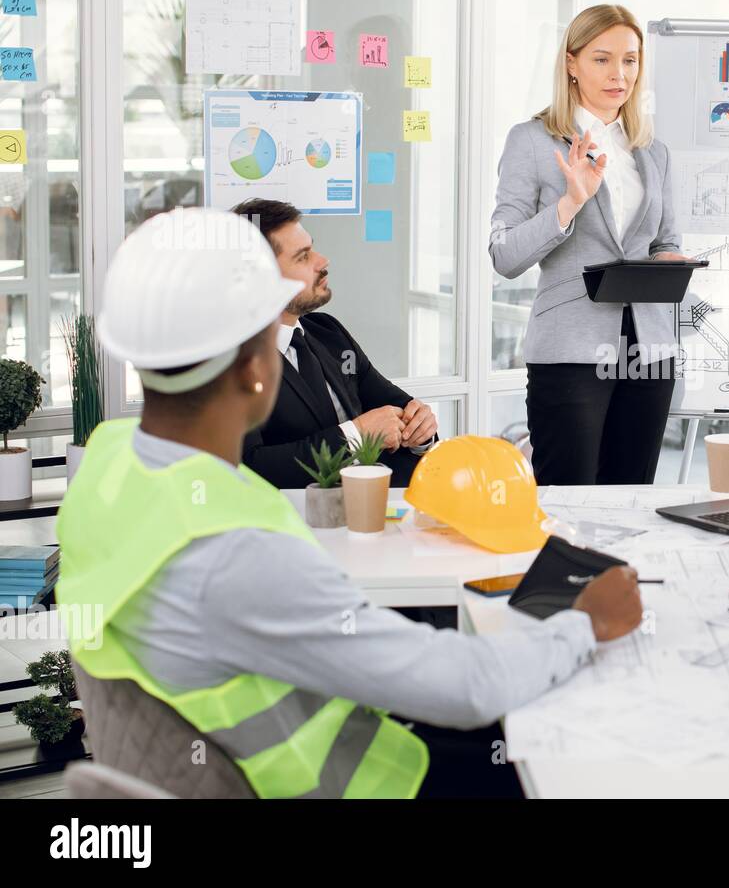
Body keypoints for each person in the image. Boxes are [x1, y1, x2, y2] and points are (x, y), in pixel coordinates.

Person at [56, 207, 644, 799]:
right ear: (258, 371)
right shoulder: (237, 552)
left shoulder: (105, 470)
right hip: (365, 781)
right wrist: (583, 623)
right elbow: (464, 686)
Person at [490, 4, 686, 485]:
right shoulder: (533, 141)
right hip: (570, 350)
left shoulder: (652, 150)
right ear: (571, 64)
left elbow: (665, 240)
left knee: (632, 494)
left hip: (649, 349)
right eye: (602, 59)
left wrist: (670, 261)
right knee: (568, 498)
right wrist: (569, 203)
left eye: (630, 60)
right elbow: (504, 255)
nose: (619, 74)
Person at [232, 198, 439, 488]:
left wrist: (421, 431)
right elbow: (250, 468)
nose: (322, 260)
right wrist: (356, 435)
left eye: (312, 247)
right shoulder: (229, 359)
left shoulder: (328, 333)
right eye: (303, 256)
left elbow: (398, 411)